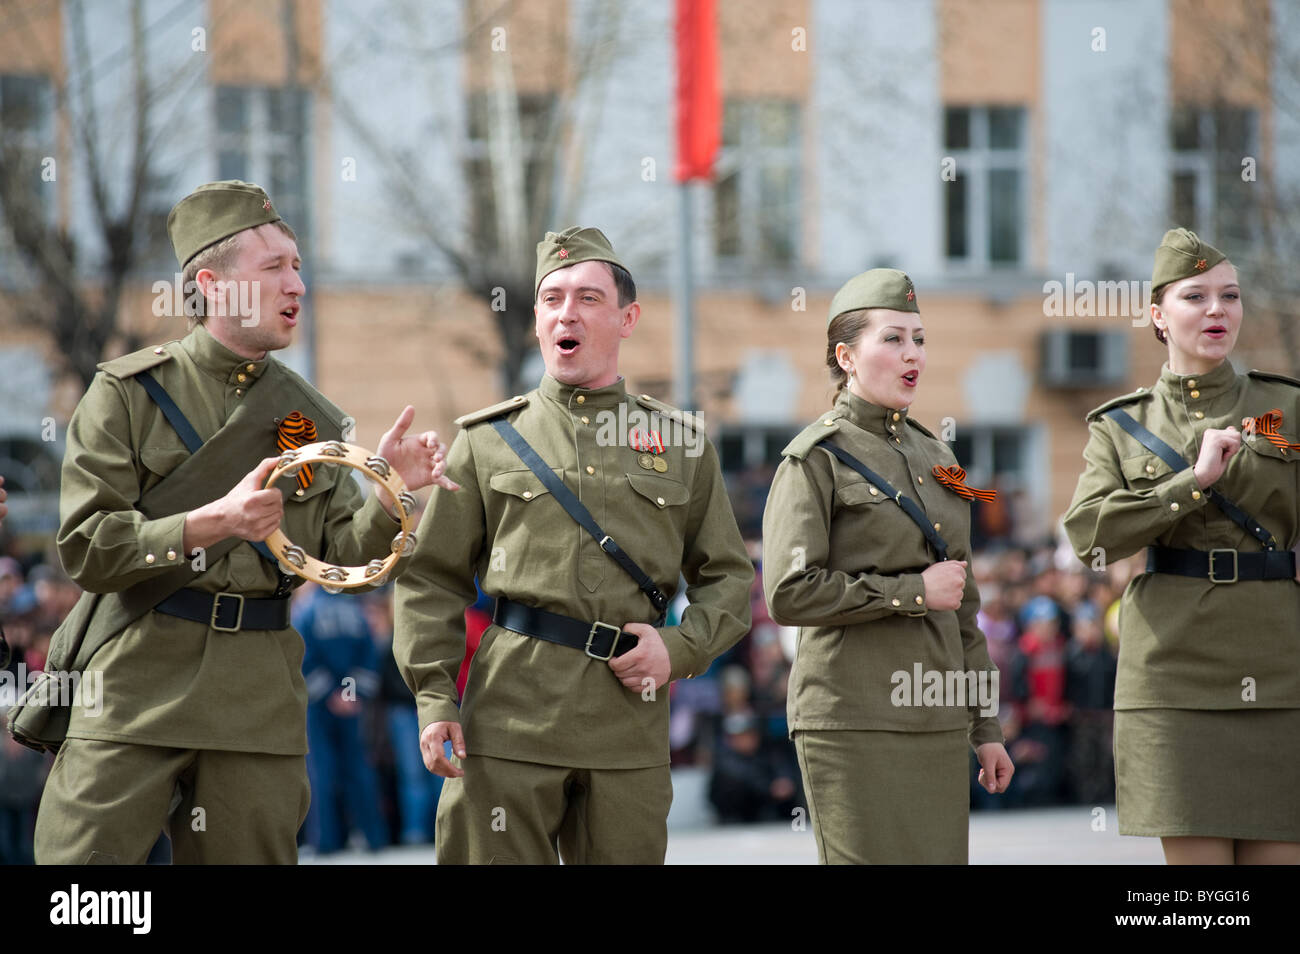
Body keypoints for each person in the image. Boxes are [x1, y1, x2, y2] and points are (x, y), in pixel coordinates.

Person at [28, 180, 454, 864]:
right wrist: (209, 522)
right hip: (134, 685)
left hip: (256, 698)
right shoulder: (127, 395)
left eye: (299, 266)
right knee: (84, 895)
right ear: (213, 285)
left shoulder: (307, 416)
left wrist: (388, 496)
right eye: (274, 266)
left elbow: (343, 564)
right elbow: (88, 550)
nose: (298, 285)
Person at [394, 226, 754, 864]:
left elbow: (728, 577)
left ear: (627, 318)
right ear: (536, 320)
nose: (567, 313)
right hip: (507, 723)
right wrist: (433, 696)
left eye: (589, 298)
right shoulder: (486, 440)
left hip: (627, 726)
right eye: (552, 298)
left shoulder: (681, 444)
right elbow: (431, 580)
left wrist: (679, 648)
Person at [1063, 228, 1300, 865]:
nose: (1218, 309)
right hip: (1173, 673)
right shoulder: (1121, 425)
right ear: (1158, 316)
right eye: (1196, 297)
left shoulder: (1287, 407)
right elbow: (1089, 537)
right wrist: (1190, 483)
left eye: (1230, 295)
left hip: (1281, 664)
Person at [762, 268, 1014, 864]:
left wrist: (985, 727)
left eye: (919, 339)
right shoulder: (815, 459)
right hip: (852, 717)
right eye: (894, 339)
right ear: (846, 357)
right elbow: (789, 592)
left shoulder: (941, 458)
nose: (913, 354)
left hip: (938, 716)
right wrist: (912, 592)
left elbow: (965, 610)